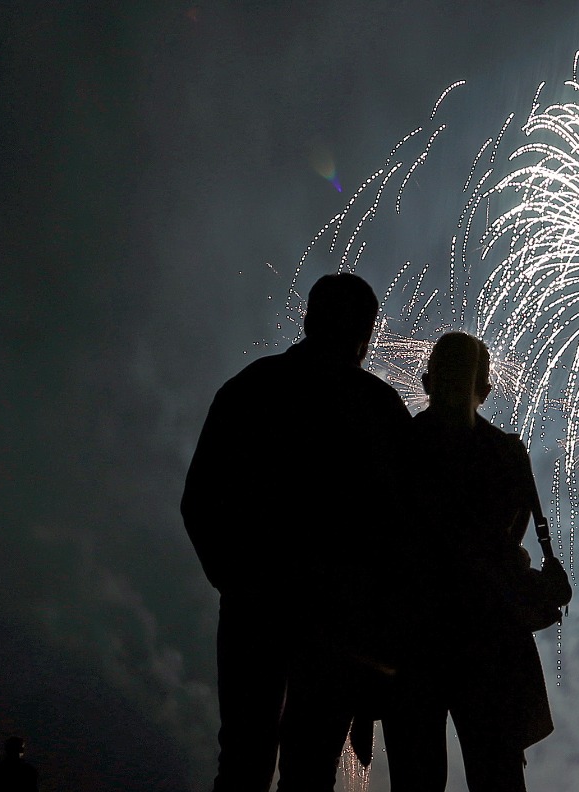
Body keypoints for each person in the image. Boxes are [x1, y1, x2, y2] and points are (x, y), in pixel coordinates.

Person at [181, 272, 412, 792]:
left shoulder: (250, 388)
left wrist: (236, 581)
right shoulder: (380, 408)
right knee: (310, 768)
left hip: (254, 605)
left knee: (242, 756)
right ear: (367, 335)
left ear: (308, 318)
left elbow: (199, 499)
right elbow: (400, 534)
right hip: (338, 619)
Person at [381, 331, 555, 792]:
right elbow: (512, 544)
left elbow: (379, 549)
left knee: (418, 778)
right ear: (487, 389)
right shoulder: (508, 454)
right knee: (496, 773)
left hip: (414, 640)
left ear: (425, 380)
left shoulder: (398, 447)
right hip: (486, 639)